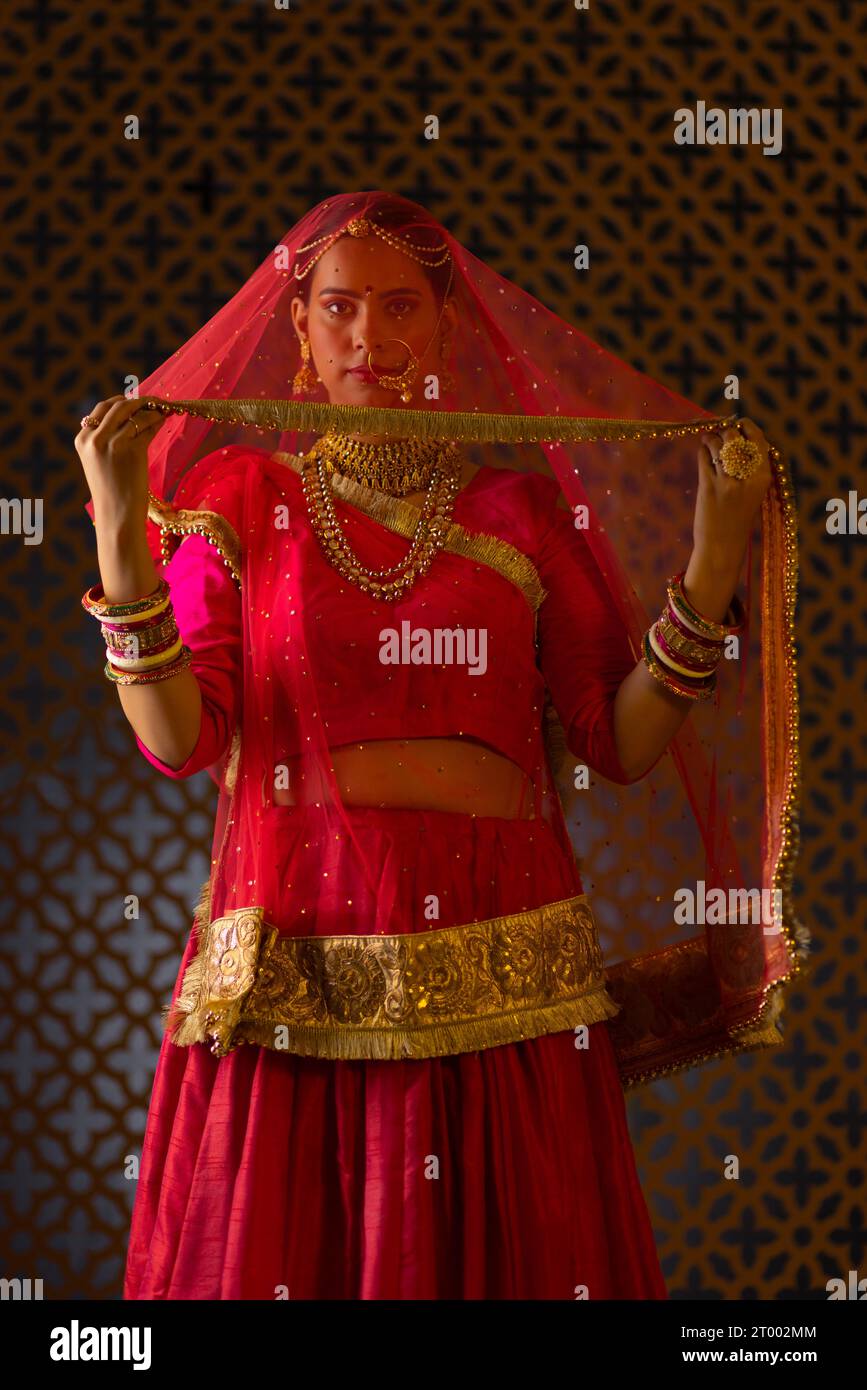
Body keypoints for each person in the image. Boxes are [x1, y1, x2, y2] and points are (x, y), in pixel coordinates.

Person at [76, 190, 806, 1300]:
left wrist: (709, 567)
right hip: (299, 985)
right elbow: (179, 739)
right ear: (303, 341)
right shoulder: (241, 498)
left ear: (444, 332)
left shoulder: (519, 511)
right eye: (340, 309)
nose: (372, 335)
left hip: (508, 981)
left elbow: (622, 739)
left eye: (400, 307)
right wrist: (124, 544)